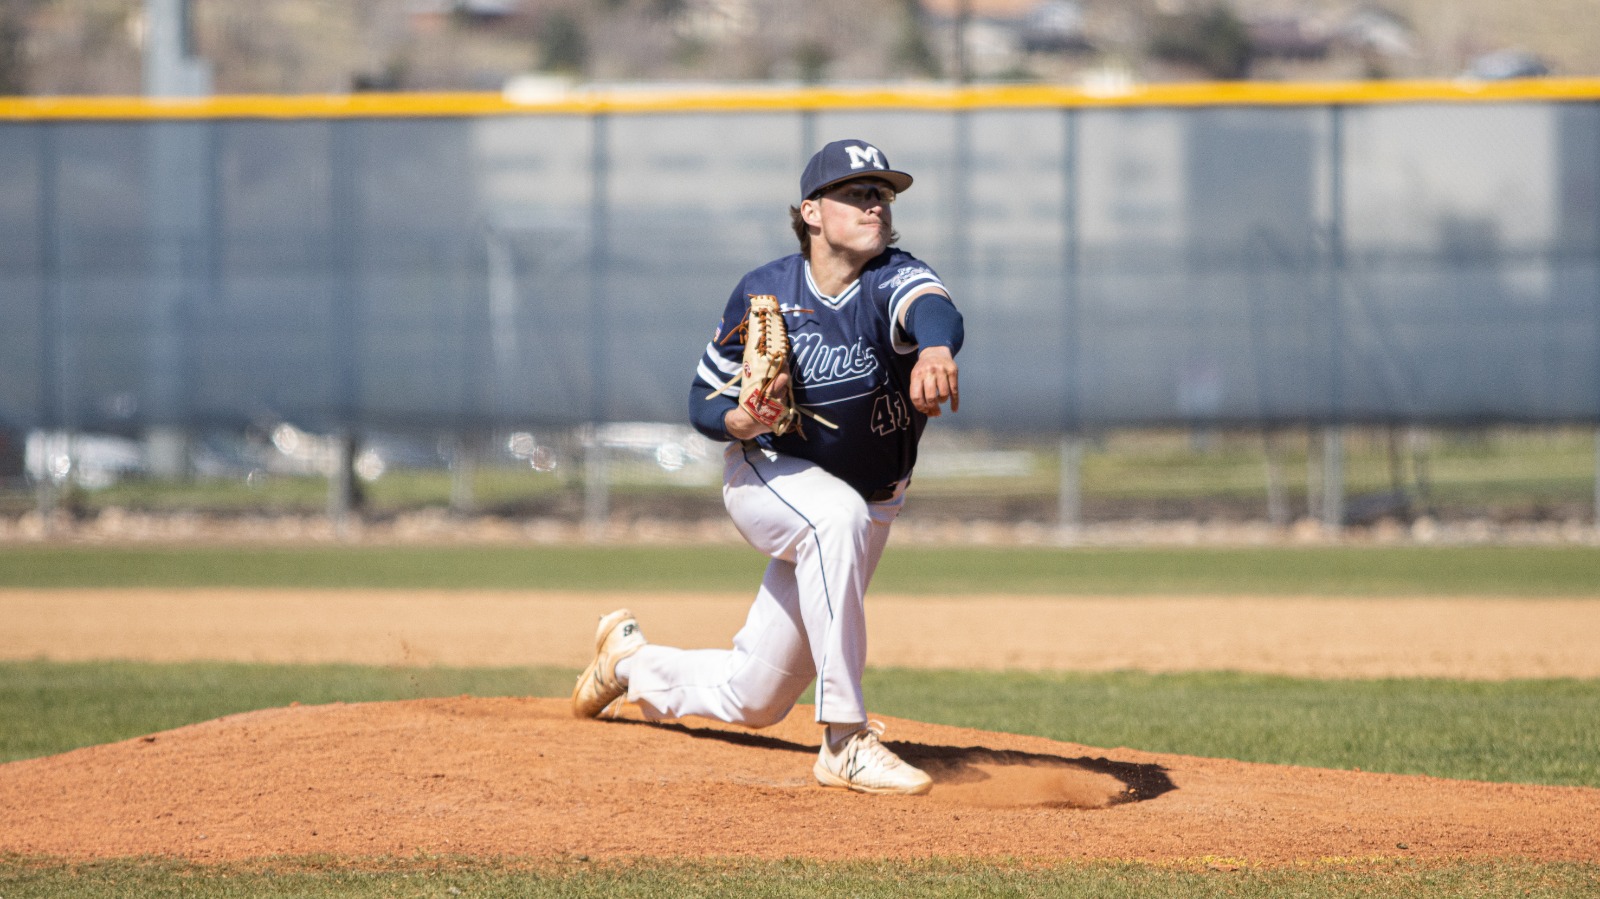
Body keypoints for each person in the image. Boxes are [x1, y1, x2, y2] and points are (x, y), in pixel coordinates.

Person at [572, 139, 963, 796]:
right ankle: (844, 737)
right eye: (858, 192)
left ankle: (629, 664)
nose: (877, 205)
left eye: (883, 194)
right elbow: (702, 399)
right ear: (811, 211)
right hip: (767, 476)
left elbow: (933, 308)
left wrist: (935, 348)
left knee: (756, 696)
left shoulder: (892, 278)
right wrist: (739, 421)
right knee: (829, 518)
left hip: (869, 504)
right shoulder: (765, 292)